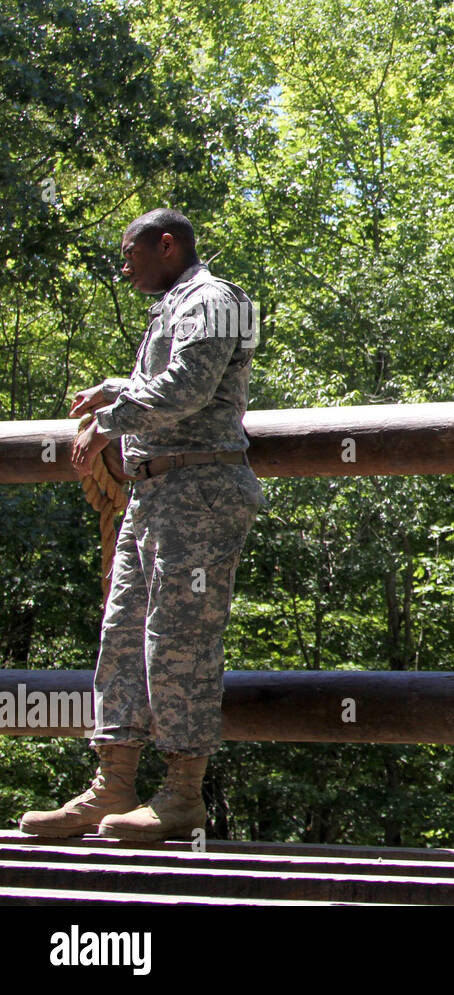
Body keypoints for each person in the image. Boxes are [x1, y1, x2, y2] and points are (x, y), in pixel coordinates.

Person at [20, 208, 262, 842]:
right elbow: (169, 380)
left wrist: (110, 419)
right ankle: (112, 786)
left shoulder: (214, 297)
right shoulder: (178, 303)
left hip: (200, 490)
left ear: (166, 245)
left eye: (130, 253)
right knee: (124, 633)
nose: (123, 266)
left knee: (180, 638)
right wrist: (116, 387)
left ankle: (182, 795)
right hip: (155, 493)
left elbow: (189, 385)